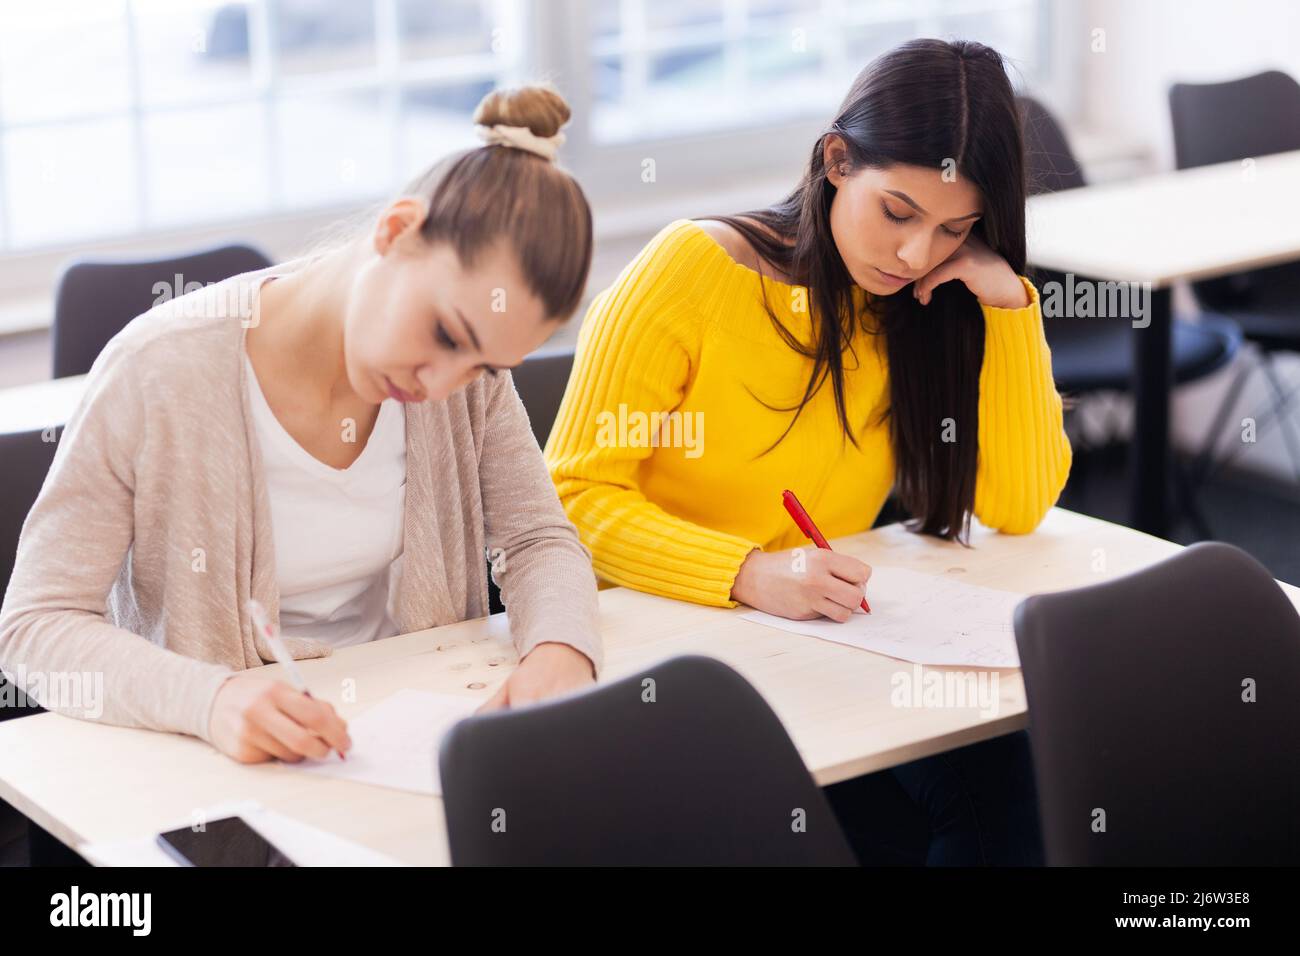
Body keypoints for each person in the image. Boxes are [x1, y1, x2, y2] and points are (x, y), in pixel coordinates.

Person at [545, 40, 1070, 864]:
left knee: (1015, 784)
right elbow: (571, 498)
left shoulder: (924, 302)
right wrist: (748, 573)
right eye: (897, 211)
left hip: (827, 651)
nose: (914, 255)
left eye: (953, 230)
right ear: (835, 159)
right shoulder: (692, 271)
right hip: (673, 657)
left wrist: (1008, 307)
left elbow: (1018, 504)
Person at [0, 84, 602, 765]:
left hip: (403, 748)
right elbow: (34, 627)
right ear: (396, 231)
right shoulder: (158, 369)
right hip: (211, 768)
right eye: (443, 332)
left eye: (484, 366)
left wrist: (561, 651)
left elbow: (537, 538)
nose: (440, 383)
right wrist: (210, 699)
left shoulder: (465, 382)